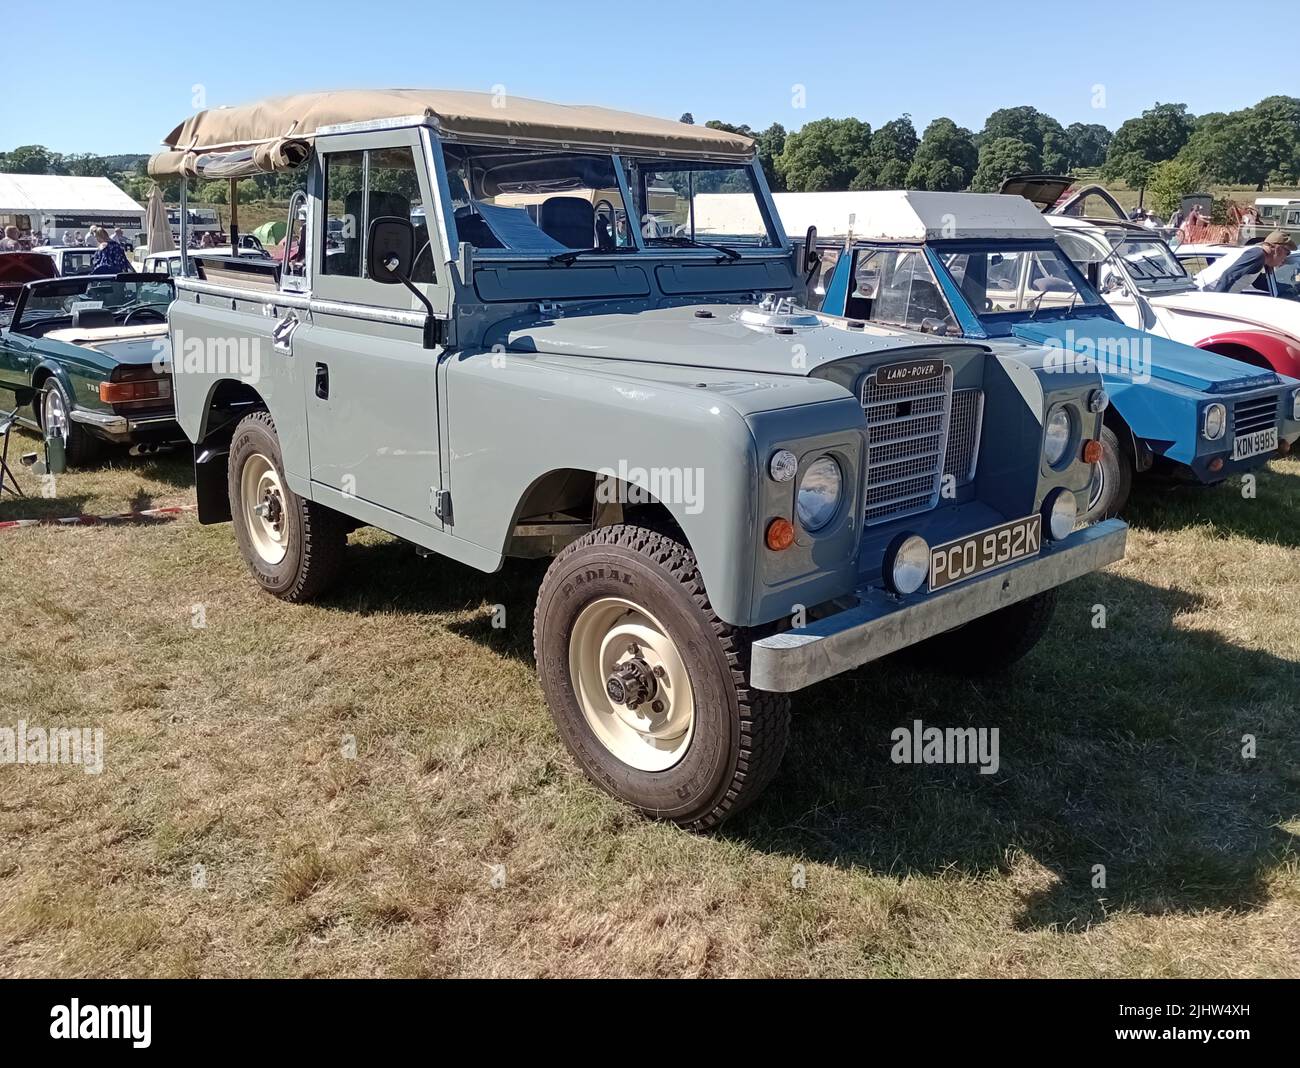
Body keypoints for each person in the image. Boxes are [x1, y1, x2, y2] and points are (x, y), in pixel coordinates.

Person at [1194, 230, 1298, 293]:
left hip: (1206, 293)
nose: (1285, 258)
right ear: (1278, 249)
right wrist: (1215, 303)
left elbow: (1259, 283)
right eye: (1287, 253)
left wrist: (1291, 288)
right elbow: (1229, 275)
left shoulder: (1258, 257)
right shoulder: (1257, 255)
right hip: (1202, 293)